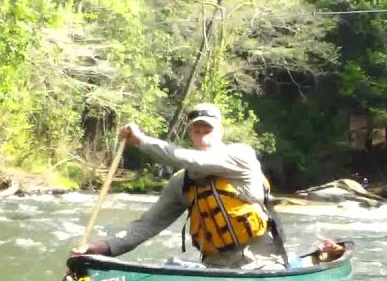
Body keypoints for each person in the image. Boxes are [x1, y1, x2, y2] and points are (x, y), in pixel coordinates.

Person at [73, 103, 288, 270]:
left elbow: (194, 160)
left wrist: (142, 141)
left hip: (262, 262)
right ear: (190, 133)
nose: (203, 137)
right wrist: (104, 248)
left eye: (208, 130)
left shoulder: (241, 157)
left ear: (220, 131)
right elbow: (147, 225)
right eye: (197, 131)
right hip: (215, 267)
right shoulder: (181, 182)